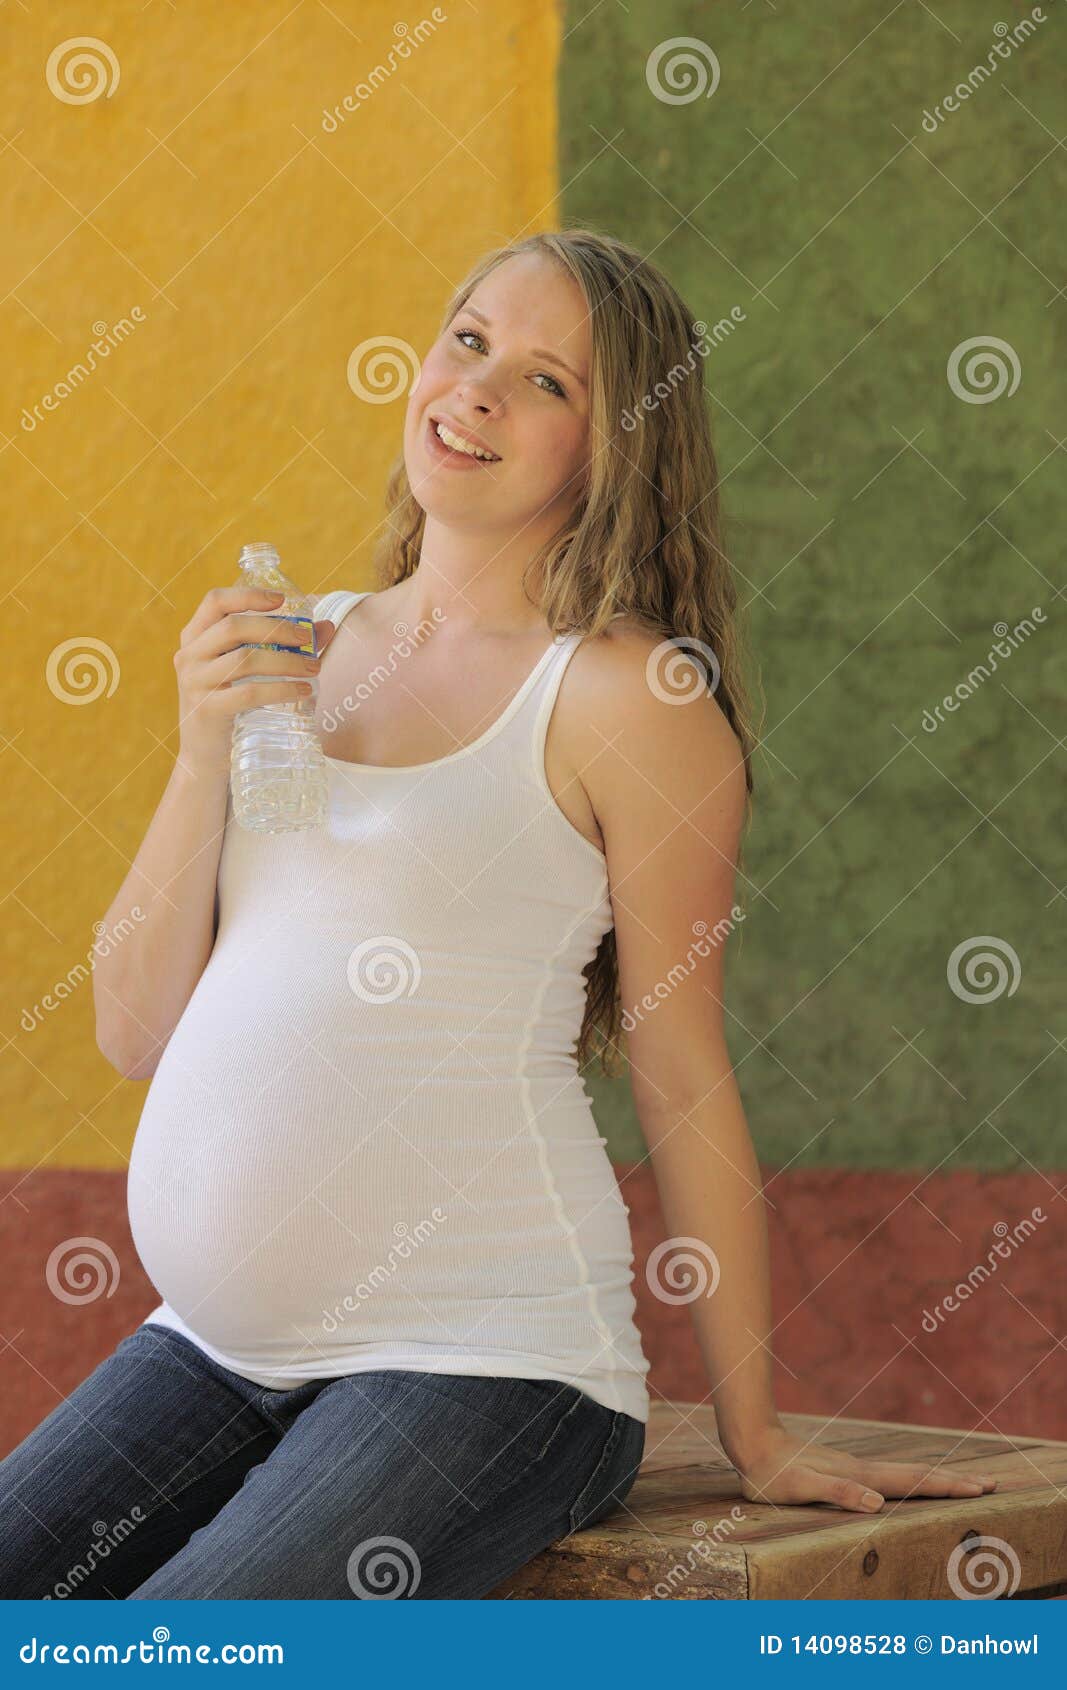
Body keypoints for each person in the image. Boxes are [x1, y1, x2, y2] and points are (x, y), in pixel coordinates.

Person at [0, 229, 995, 1601]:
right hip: (223, 1348)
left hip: (488, 1361)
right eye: (468, 341)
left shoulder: (628, 699)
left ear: (614, 450)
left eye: (546, 382)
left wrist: (755, 1431)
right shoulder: (294, 652)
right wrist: (198, 752)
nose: (475, 389)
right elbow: (131, 1033)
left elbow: (684, 1069)